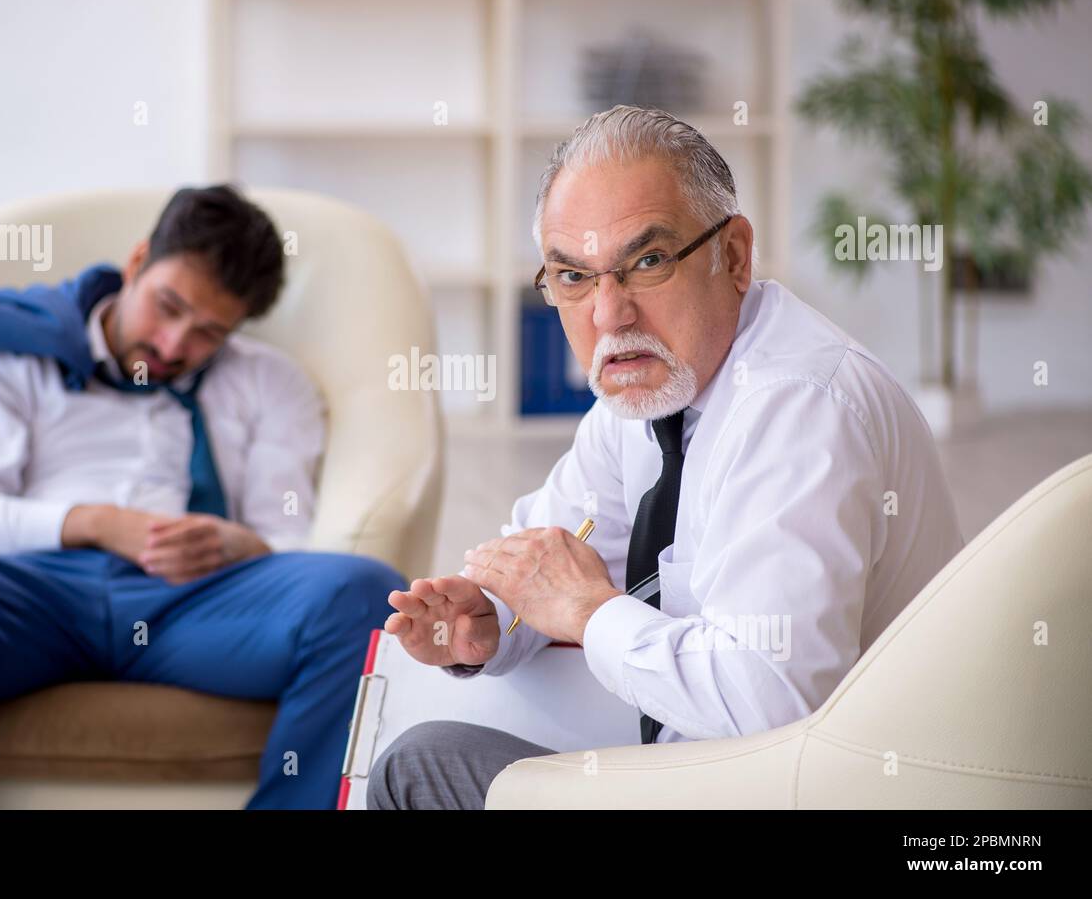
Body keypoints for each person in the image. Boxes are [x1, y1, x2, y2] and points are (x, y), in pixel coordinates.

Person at [369, 106, 963, 810]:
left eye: (647, 263)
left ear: (734, 256)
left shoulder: (800, 406)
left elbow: (771, 703)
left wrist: (590, 612)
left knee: (419, 769)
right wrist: (493, 618)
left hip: (828, 789)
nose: (608, 315)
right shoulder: (648, 387)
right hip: (721, 769)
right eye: (573, 276)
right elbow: (557, 541)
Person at [0, 184, 403, 809]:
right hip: (29, 595)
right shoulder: (10, 349)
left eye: (209, 332)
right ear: (135, 262)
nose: (175, 345)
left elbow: (287, 535)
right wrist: (96, 523)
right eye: (167, 305)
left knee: (364, 594)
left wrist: (244, 544)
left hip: (195, 603)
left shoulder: (269, 383)